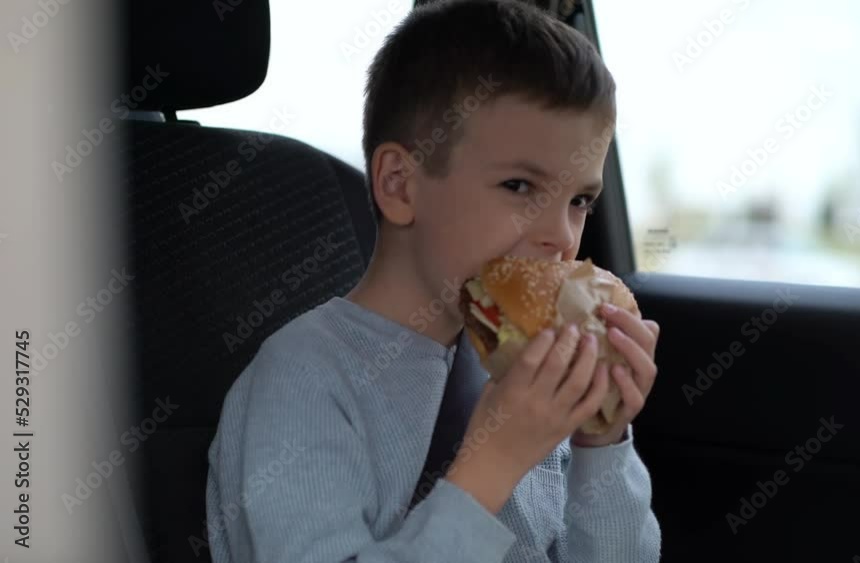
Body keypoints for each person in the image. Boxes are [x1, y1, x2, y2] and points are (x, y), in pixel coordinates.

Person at [206, 1, 662, 561]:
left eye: (579, 200)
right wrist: (493, 462)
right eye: (519, 186)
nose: (561, 235)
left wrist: (600, 442)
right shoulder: (304, 379)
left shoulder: (522, 365)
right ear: (400, 185)